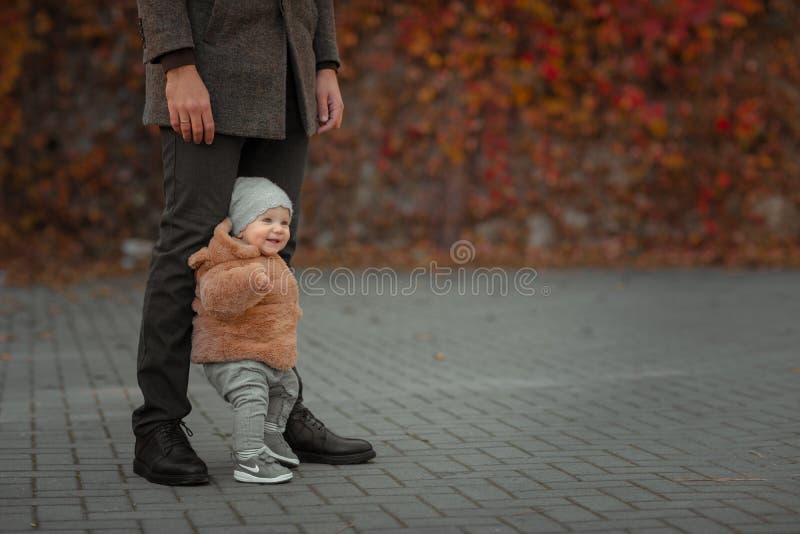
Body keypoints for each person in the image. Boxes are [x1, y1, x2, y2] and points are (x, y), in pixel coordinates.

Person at [133, 0, 376, 486]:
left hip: (290, 71)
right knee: (189, 248)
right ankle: (158, 424)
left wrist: (324, 63)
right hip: (207, 67)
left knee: (274, 250)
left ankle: (278, 416)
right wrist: (176, 63)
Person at [187, 178, 303, 484]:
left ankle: (268, 435)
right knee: (252, 396)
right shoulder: (225, 258)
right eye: (267, 220)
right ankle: (249, 458)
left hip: (263, 351)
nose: (278, 229)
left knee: (288, 387)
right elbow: (215, 296)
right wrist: (248, 284)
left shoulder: (271, 260)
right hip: (231, 352)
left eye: (284, 222)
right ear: (240, 228)